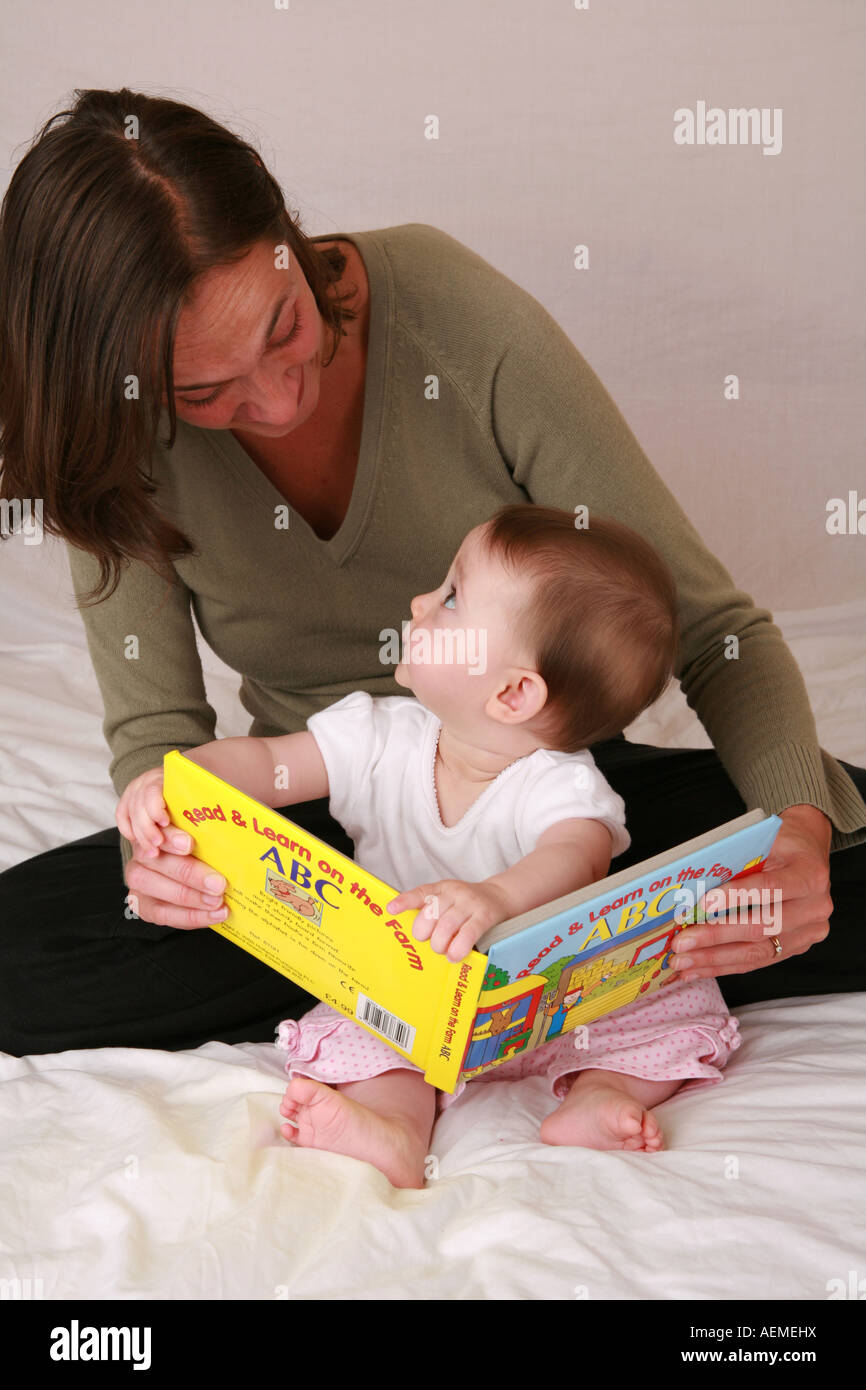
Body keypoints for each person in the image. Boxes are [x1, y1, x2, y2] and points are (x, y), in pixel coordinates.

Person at [0, 87, 864, 1059]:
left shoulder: (447, 309)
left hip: (535, 794)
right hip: (325, 823)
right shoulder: (107, 442)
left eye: (283, 327)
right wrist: (163, 850)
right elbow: (160, 739)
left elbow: (712, 632)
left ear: (285, 230)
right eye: (203, 391)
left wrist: (795, 836)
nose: (278, 402)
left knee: (838, 853)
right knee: (20, 959)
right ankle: (519, 985)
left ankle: (535, 968)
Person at [117, 506, 743, 1189]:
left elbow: (577, 854)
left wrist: (493, 898)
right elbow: (268, 763)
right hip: (415, 998)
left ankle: (599, 1095)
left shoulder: (557, 781)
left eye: (450, 597)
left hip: (549, 1006)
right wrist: (183, 779)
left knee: (671, 1002)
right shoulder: (379, 736)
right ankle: (394, 1130)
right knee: (365, 1030)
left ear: (511, 692)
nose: (419, 602)